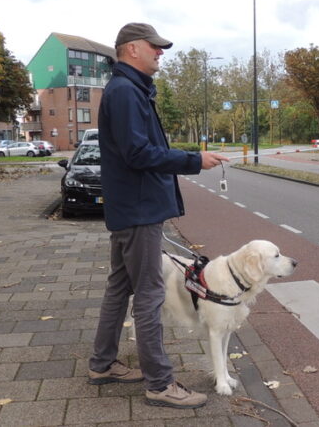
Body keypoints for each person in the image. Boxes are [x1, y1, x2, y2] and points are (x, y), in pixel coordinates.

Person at [88, 22, 228, 409]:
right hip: (138, 209)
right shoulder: (126, 92)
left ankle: (102, 363)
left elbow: (140, 149)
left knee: (120, 286)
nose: (160, 53)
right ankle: (160, 384)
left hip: (132, 207)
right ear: (132, 49)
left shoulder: (128, 90)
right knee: (149, 294)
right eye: (155, 47)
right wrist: (193, 160)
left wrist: (190, 156)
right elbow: (138, 154)